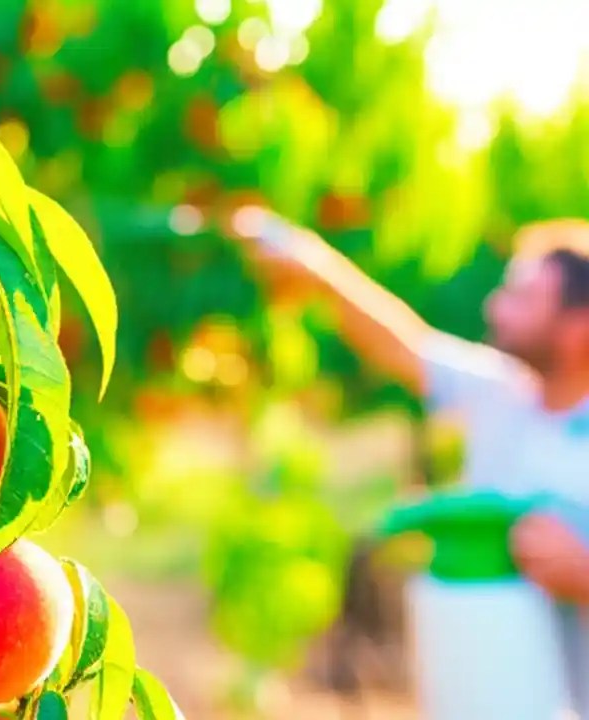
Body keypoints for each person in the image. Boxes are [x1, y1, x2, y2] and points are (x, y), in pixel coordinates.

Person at [229, 208, 589, 704]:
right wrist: (310, 260)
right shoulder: (505, 397)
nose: (495, 308)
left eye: (523, 298)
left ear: (579, 326)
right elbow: (404, 345)